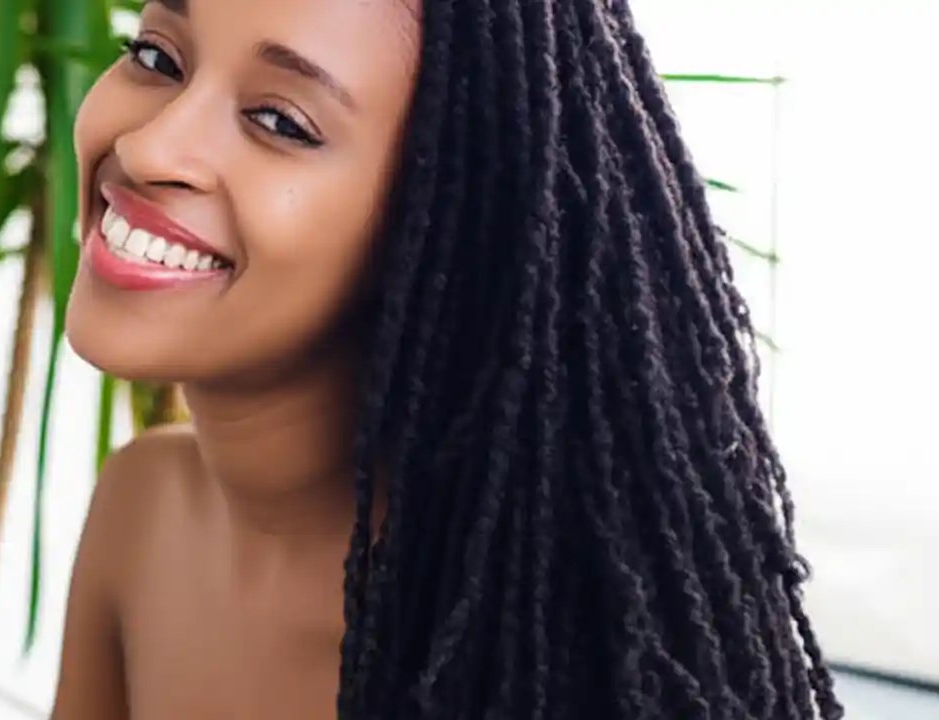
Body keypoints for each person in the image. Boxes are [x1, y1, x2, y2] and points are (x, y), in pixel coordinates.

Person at [51, 0, 843, 717]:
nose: (149, 146)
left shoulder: (532, 648)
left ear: (440, 212)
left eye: (280, 121)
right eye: (157, 57)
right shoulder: (143, 508)